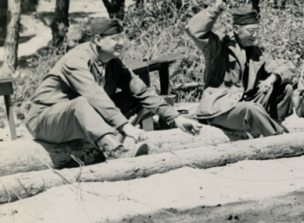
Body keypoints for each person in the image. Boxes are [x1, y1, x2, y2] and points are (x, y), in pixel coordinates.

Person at [25, 17, 202, 159]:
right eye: (115, 38)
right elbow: (94, 96)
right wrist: (126, 126)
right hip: (45, 120)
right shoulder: (76, 61)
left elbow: (141, 91)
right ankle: (116, 150)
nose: (122, 43)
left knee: (135, 98)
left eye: (122, 37)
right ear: (97, 40)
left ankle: (111, 142)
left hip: (81, 120)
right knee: (81, 103)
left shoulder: (112, 62)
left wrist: (175, 118)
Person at [186, 0, 295, 137]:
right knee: (251, 109)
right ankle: (278, 138)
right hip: (222, 107)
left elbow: (288, 66)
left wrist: (272, 78)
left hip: (245, 102)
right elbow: (194, 30)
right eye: (251, 31)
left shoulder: (255, 52)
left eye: (257, 31)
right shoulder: (218, 48)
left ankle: (272, 125)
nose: (255, 35)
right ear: (236, 29)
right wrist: (216, 9)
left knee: (284, 88)